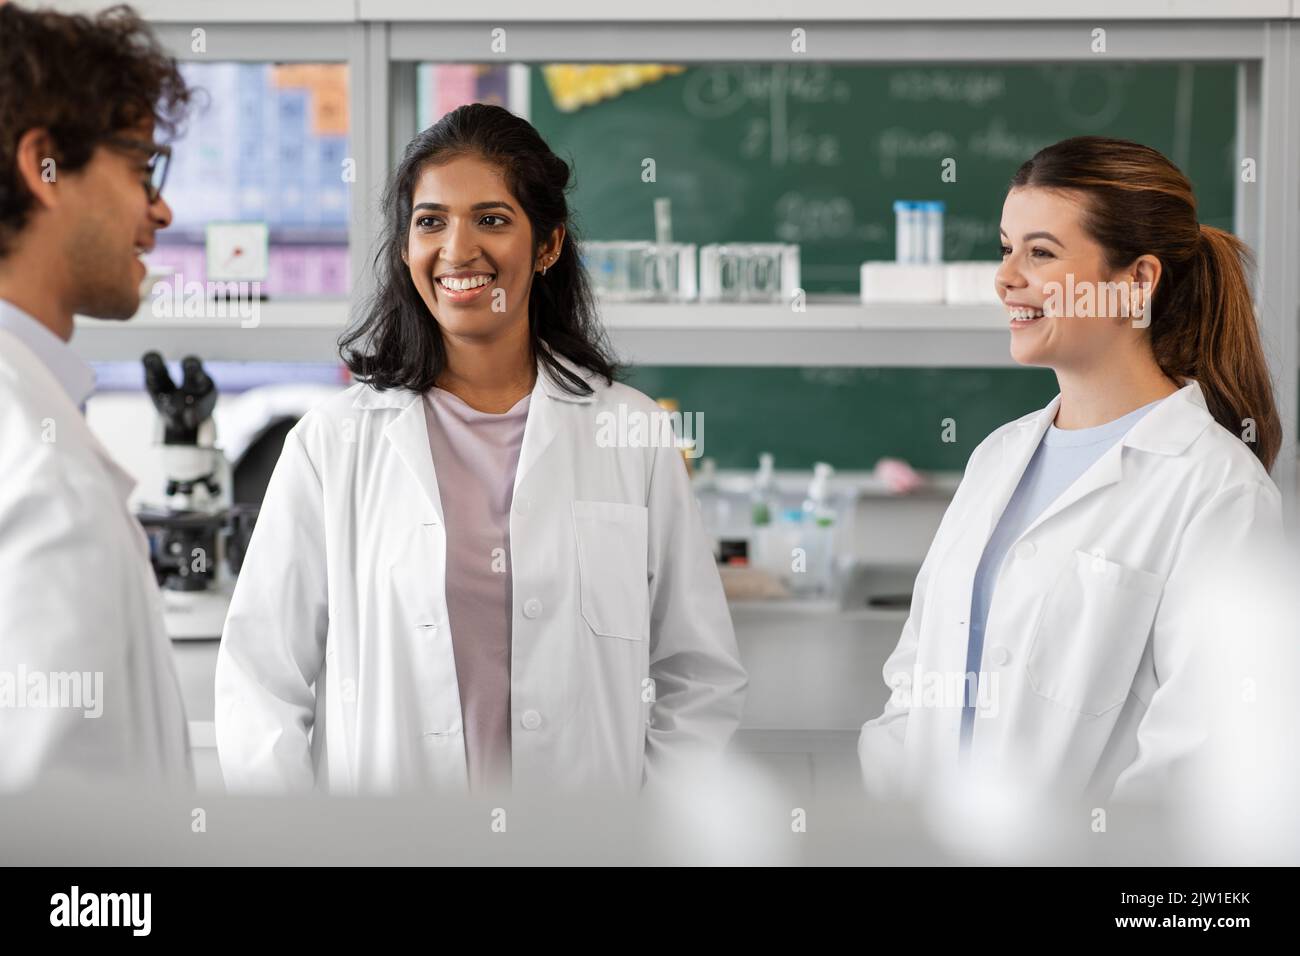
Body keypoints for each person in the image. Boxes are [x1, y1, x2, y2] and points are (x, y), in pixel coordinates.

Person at [215, 103, 747, 795]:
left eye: (492, 220)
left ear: (548, 246)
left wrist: (647, 830)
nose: (457, 250)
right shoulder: (333, 443)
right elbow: (261, 681)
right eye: (431, 221)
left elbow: (698, 673)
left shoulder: (632, 434)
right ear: (406, 248)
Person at [858, 136, 1285, 804]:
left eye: (1041, 253)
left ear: (1137, 281)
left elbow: (1192, 763)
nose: (1005, 278)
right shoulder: (998, 457)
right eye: (1006, 248)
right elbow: (916, 682)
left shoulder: (1218, 490)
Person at [0, 3, 193, 790]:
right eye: (142, 168)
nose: (161, 211)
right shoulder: (41, 470)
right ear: (45, 165)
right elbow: (57, 835)